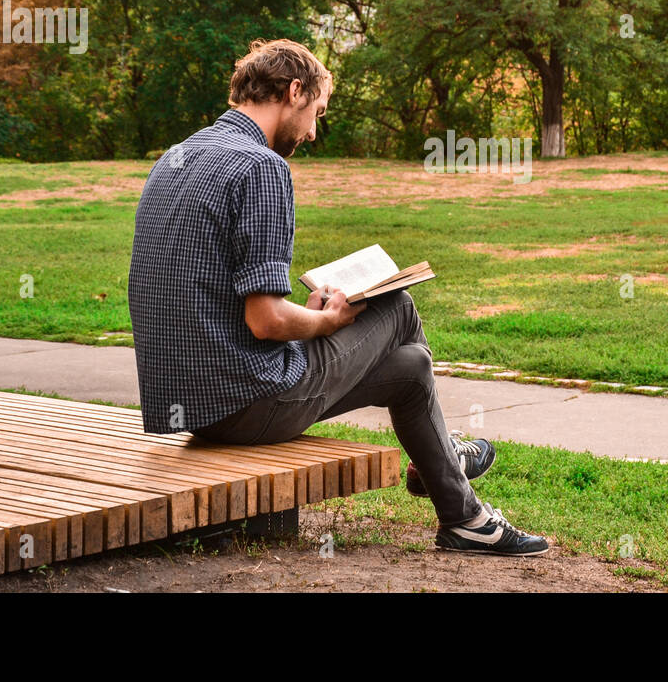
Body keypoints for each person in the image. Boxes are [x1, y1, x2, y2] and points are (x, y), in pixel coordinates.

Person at [128, 38, 550, 556]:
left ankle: (463, 515)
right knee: (395, 304)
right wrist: (326, 322)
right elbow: (264, 322)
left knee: (411, 366)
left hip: (188, 404)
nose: (310, 133)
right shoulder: (261, 167)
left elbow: (218, 299)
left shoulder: (176, 157)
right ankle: (449, 457)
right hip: (245, 403)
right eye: (315, 115)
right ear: (294, 90)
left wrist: (301, 315)